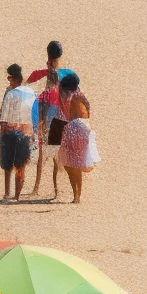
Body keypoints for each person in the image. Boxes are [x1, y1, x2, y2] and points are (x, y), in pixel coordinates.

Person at [0, 63, 39, 202]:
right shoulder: (30, 92)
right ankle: (17, 196)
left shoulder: (11, 92)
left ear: (13, 78)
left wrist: (0, 123)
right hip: (26, 131)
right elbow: (33, 111)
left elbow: (4, 114)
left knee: (7, 165)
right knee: (21, 165)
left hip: (9, 131)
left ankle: (7, 193)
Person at [56, 74, 98, 202]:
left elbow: (63, 112)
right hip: (82, 128)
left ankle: (77, 195)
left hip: (73, 128)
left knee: (71, 164)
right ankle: (76, 195)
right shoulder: (80, 95)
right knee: (74, 164)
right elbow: (88, 108)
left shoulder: (69, 95)